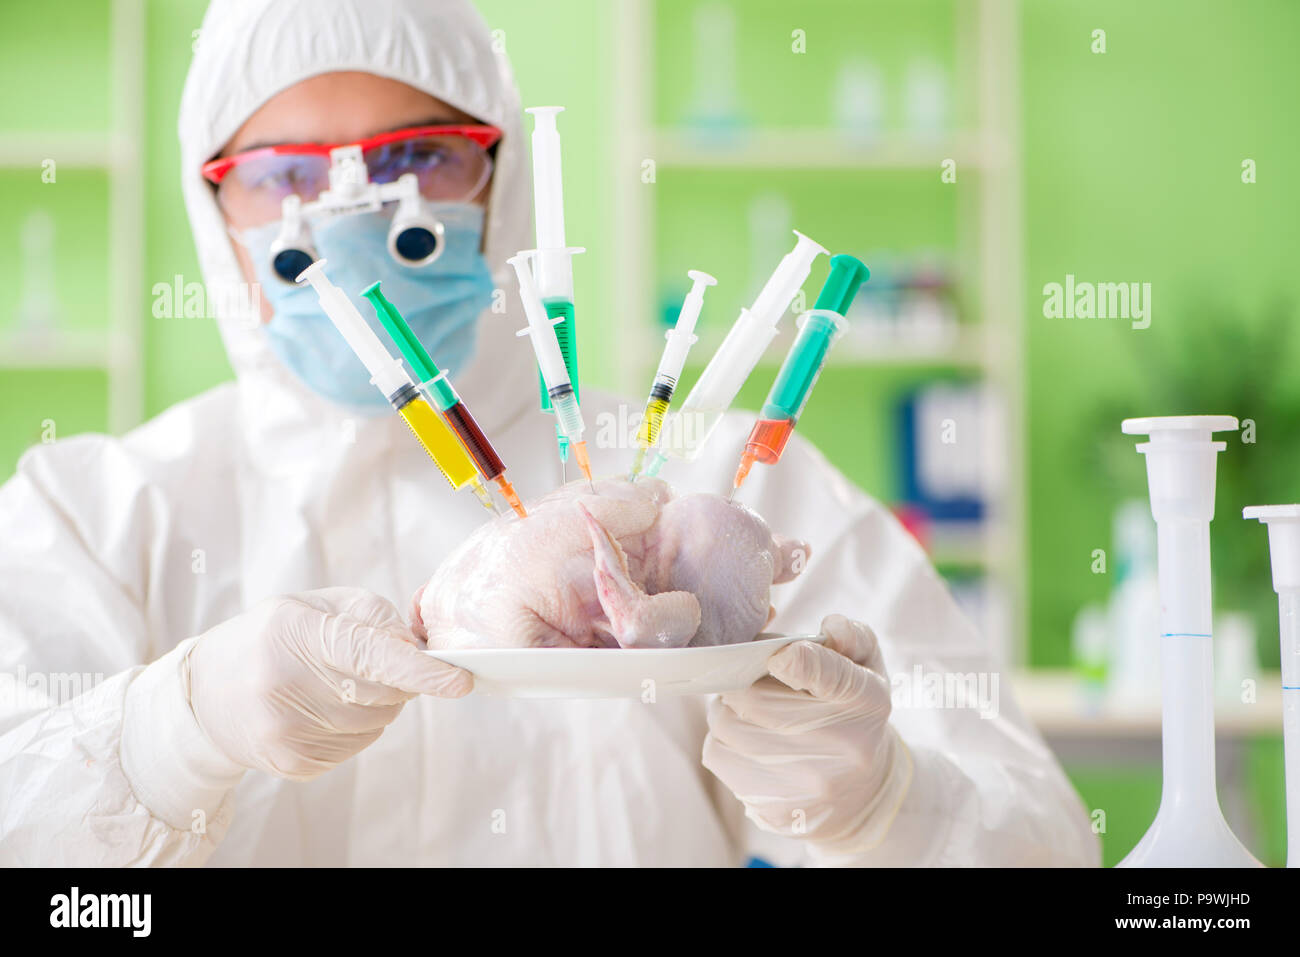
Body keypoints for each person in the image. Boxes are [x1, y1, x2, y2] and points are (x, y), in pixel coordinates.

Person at [0, 0, 1098, 867]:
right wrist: (172, 731)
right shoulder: (95, 515)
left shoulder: (708, 486)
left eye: (415, 158)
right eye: (283, 176)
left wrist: (888, 806)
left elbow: (1041, 843)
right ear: (214, 212)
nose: (353, 217)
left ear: (505, 172)